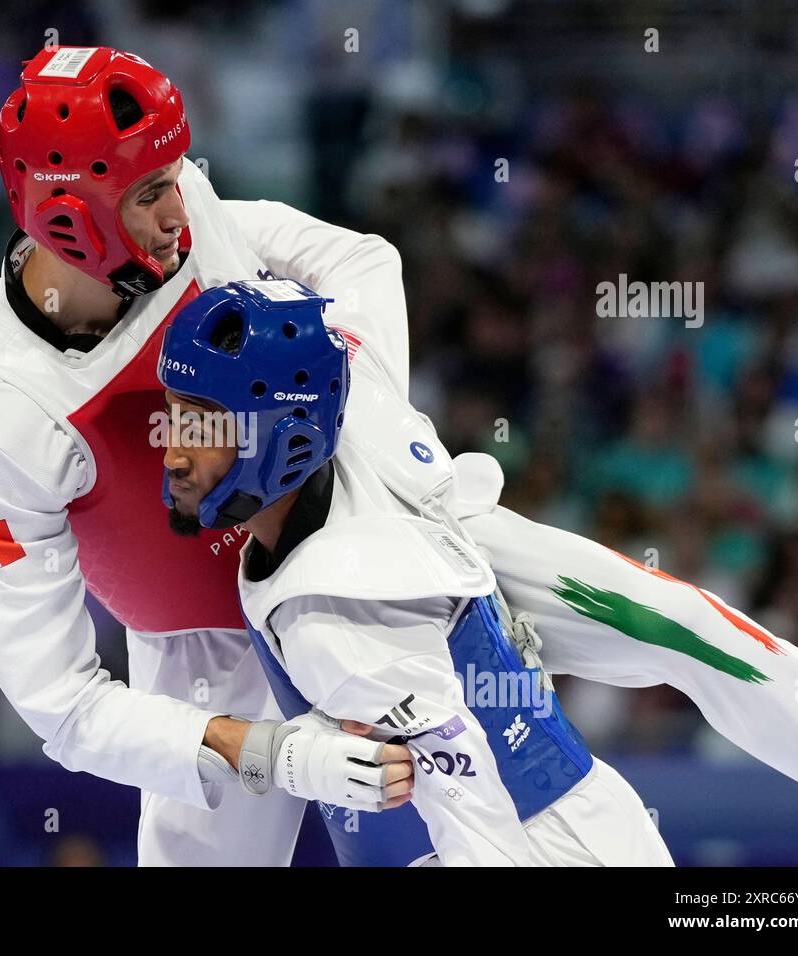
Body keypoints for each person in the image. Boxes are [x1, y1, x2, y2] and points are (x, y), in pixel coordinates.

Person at [0, 44, 798, 866]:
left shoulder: (181, 209)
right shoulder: (8, 416)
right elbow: (58, 701)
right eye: (147, 194)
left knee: (700, 632)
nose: (182, 204)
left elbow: (364, 263)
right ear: (65, 216)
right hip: (210, 661)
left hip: (386, 537)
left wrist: (379, 446)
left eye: (175, 174)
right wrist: (269, 750)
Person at [157, 278, 672, 866]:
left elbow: (471, 798)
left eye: (201, 426)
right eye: (171, 418)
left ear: (280, 437)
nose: (173, 452)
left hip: (537, 846)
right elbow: (367, 261)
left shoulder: (336, 609)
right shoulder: (342, 503)